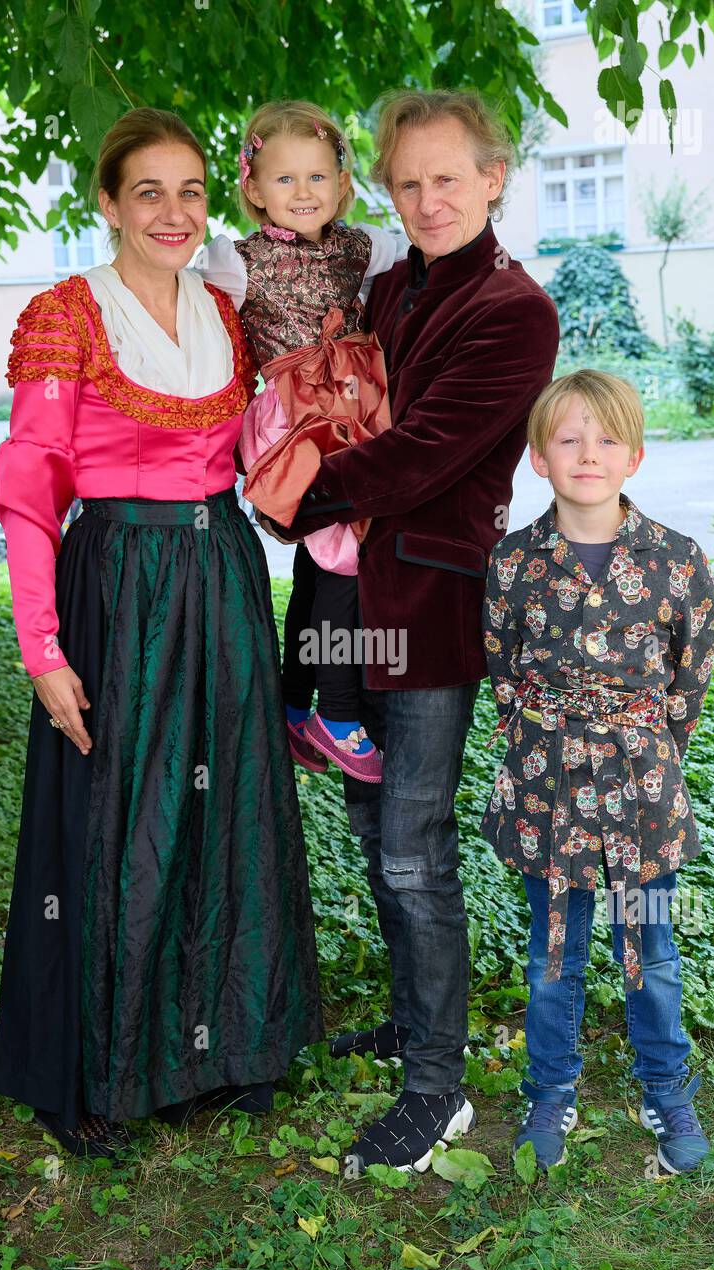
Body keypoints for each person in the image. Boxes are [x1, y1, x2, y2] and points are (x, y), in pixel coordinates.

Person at [0, 107, 324, 1161]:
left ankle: (209, 1052)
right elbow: (29, 493)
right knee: (114, 815)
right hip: (116, 586)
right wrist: (43, 648)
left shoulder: (226, 310)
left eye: (191, 191)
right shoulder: (65, 316)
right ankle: (94, 1067)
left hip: (221, 578)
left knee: (221, 809)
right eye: (149, 192)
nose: (174, 213)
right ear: (108, 203)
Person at [269, 89, 561, 1176]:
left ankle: (436, 1087)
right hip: (347, 604)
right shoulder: (390, 288)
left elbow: (424, 451)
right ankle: (410, 1019)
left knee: (412, 846)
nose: (428, 199)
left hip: (428, 614)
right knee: (365, 813)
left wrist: (292, 492)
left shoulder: (515, 309)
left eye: (447, 177)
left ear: (493, 178)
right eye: (407, 182)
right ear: (386, 191)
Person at [481, 368, 714, 1175]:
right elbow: (503, 669)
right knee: (553, 955)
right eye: (569, 439)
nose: (589, 453)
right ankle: (550, 1088)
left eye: (607, 439)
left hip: (641, 793)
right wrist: (547, 735)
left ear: (635, 457)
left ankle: (665, 1086)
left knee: (651, 951)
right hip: (547, 786)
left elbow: (689, 681)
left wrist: (644, 752)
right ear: (539, 457)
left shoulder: (676, 561)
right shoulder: (514, 561)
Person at [196, 99, 409, 783]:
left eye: (318, 176)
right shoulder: (235, 261)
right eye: (285, 179)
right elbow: (190, 316)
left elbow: (423, 255)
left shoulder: (366, 246)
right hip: (297, 417)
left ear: (342, 183)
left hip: (356, 407)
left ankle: (292, 704)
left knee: (322, 564)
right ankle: (339, 714)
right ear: (254, 188)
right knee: (346, 559)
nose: (304, 192)